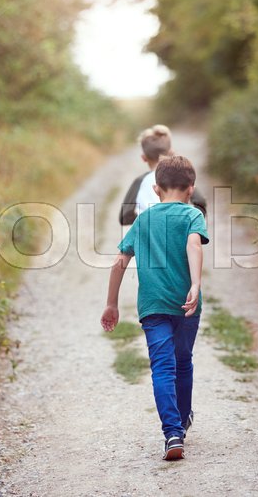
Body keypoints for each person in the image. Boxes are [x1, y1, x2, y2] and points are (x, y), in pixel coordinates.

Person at [102, 155, 210, 461]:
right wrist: (195, 284)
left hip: (152, 307)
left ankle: (172, 432)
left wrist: (111, 304)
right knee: (183, 361)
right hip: (187, 305)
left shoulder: (144, 219)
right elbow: (193, 245)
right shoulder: (192, 216)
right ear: (191, 188)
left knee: (163, 366)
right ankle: (183, 419)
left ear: (156, 188)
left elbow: (119, 261)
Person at [119, 125, 207, 225]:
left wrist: (143, 220)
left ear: (144, 158)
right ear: (171, 153)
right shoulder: (181, 175)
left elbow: (124, 216)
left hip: (149, 235)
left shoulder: (140, 181)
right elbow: (200, 201)